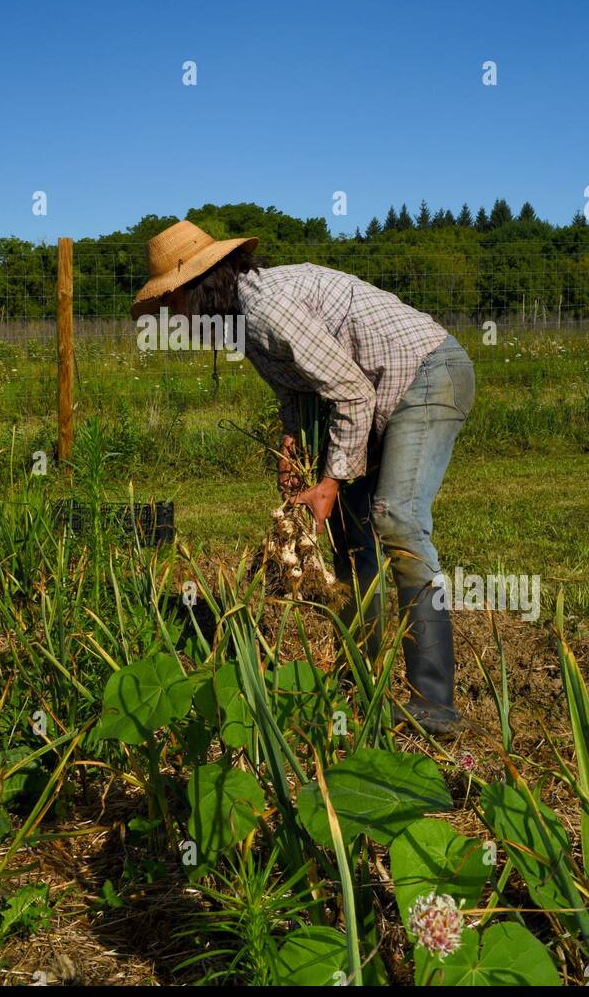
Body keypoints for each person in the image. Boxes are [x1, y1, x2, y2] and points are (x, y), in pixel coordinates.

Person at [130, 220, 475, 737]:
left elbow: (352, 392)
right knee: (352, 540)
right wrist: (293, 441)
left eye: (173, 301)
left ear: (198, 286)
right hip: (373, 390)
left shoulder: (268, 306)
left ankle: (436, 702)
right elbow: (299, 386)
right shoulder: (237, 321)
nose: (172, 315)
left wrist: (332, 480)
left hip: (426, 374)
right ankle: (365, 679)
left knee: (396, 520)